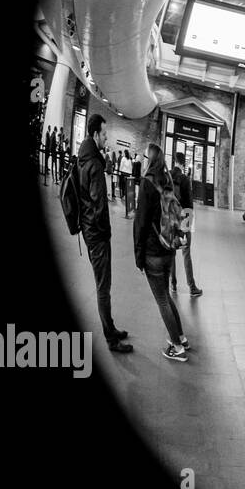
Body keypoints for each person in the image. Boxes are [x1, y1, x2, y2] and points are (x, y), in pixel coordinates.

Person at [74, 114, 132, 355]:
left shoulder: (82, 157)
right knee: (103, 286)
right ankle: (111, 338)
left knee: (103, 285)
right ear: (95, 134)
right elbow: (99, 204)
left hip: (88, 231)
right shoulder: (95, 164)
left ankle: (112, 327)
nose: (107, 137)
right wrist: (106, 231)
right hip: (97, 234)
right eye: (105, 134)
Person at [132, 144, 189, 361]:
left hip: (153, 252)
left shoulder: (147, 184)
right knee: (166, 295)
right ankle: (181, 337)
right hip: (168, 250)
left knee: (162, 300)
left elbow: (141, 222)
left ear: (150, 159)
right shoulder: (168, 182)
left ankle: (177, 347)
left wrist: (138, 256)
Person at [169, 153, 203, 297]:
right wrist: (188, 226)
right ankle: (192, 287)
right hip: (183, 218)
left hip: (170, 219)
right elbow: (189, 204)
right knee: (186, 252)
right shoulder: (184, 179)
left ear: (175, 162)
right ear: (183, 164)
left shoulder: (167, 175)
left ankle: (173, 284)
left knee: (171, 251)